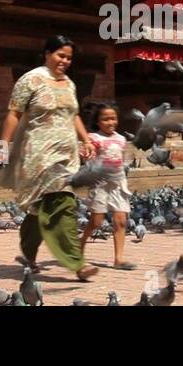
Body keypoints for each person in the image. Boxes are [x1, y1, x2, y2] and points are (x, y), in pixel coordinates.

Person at [0, 36, 99, 281]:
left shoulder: (70, 84)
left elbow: (73, 115)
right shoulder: (31, 79)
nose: (65, 61)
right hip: (38, 156)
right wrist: (2, 148)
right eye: (60, 55)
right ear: (47, 53)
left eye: (69, 58)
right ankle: (70, 261)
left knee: (54, 205)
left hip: (67, 155)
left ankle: (47, 257)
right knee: (52, 205)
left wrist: (86, 140)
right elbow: (13, 114)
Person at [79, 104, 136, 271]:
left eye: (113, 118)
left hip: (118, 183)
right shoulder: (93, 138)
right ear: (98, 121)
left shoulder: (121, 139)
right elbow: (84, 155)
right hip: (100, 184)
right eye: (105, 119)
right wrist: (86, 154)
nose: (110, 122)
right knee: (96, 221)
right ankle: (80, 245)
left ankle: (119, 259)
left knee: (121, 221)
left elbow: (121, 159)